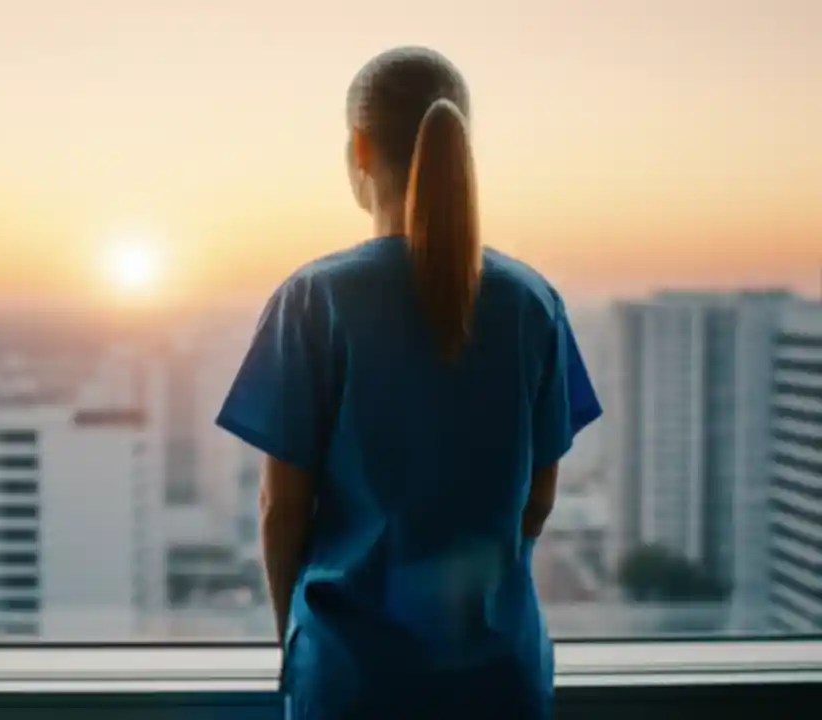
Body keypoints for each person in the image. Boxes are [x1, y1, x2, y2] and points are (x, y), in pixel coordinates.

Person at [215, 47, 602, 719]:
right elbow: (536, 503)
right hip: (498, 678)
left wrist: (294, 642)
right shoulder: (532, 303)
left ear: (358, 148)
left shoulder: (314, 300)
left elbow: (283, 510)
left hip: (353, 680)